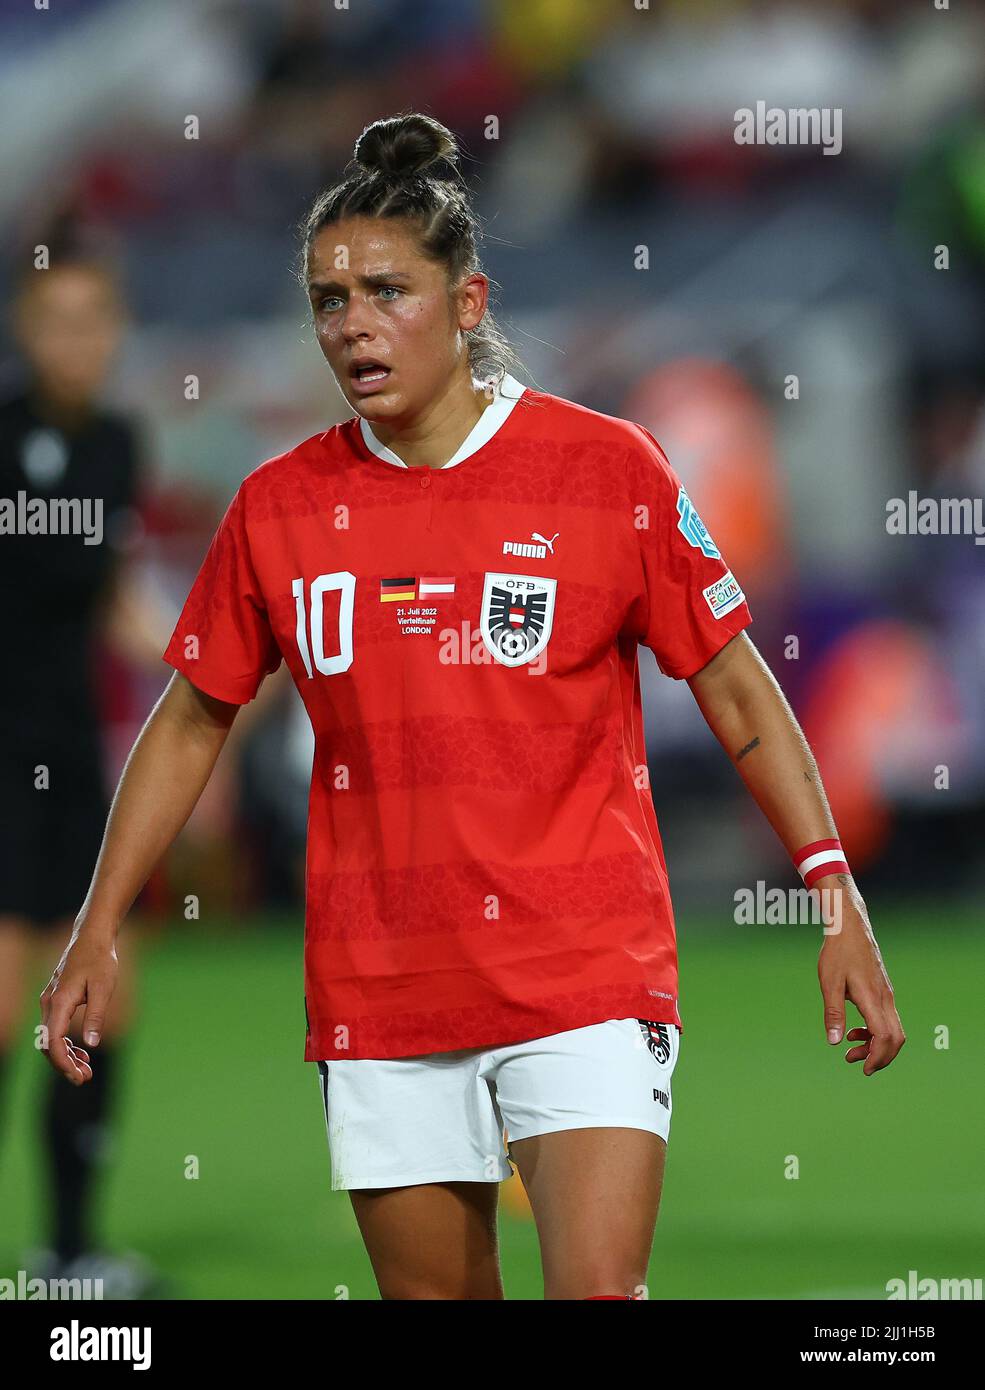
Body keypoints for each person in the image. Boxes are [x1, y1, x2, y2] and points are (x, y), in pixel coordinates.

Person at [40, 114, 906, 1301]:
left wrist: (831, 890)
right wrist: (98, 920)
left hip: (585, 972)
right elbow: (192, 718)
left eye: (386, 290)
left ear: (467, 299)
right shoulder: (278, 509)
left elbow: (734, 681)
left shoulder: (610, 471)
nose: (351, 323)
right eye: (328, 298)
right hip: (383, 983)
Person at [0, 232, 166, 1295]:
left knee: (103, 1006)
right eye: (57, 321)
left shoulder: (118, 443)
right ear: (24, 331)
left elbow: (114, 605)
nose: (78, 341)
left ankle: (68, 1252)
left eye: (94, 321)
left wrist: (228, 660)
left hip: (71, 755)